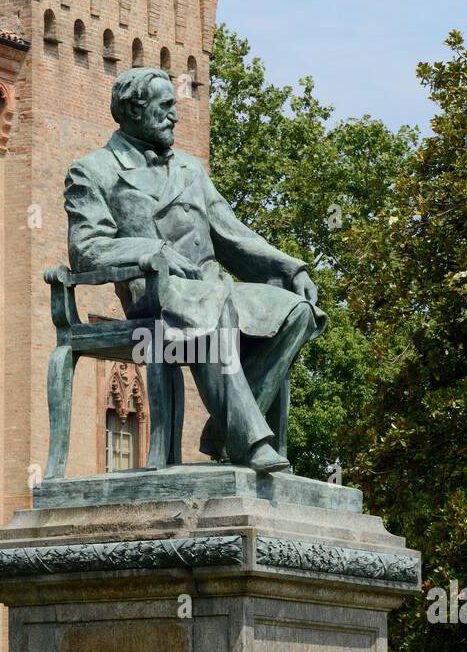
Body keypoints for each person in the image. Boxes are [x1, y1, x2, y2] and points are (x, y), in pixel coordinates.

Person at [65, 68, 326, 472]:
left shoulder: (190, 170)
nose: (175, 116)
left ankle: (227, 429)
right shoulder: (93, 170)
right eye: (166, 106)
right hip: (157, 297)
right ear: (136, 110)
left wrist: (293, 269)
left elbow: (234, 236)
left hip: (212, 287)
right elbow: (86, 249)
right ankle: (250, 442)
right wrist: (155, 250)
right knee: (213, 309)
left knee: (296, 312)